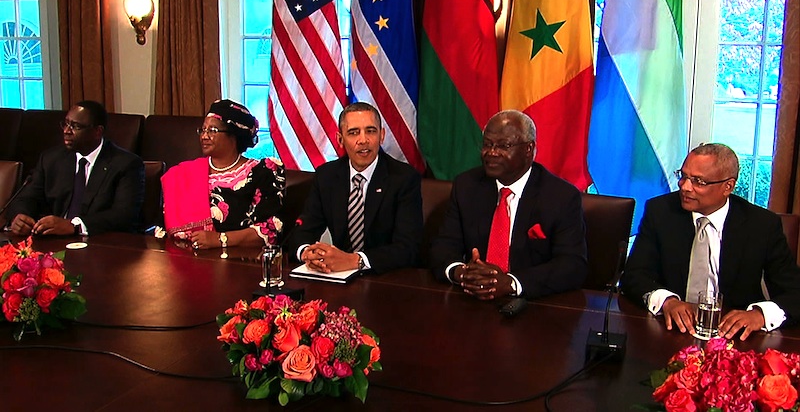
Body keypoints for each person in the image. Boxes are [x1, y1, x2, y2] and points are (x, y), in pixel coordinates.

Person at [621, 143, 800, 340]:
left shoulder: (761, 225)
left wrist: (759, 315)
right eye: (683, 176)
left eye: (698, 181)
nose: (685, 187)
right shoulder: (661, 212)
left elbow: (794, 293)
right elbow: (633, 276)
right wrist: (667, 301)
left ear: (728, 186)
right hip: (670, 331)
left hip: (734, 337)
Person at [430, 110, 587, 300]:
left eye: (504, 146)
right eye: (487, 144)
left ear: (529, 149)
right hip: (472, 299)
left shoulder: (560, 196)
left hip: (533, 305)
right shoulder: (467, 185)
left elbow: (572, 265)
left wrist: (511, 283)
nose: (492, 152)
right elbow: (443, 246)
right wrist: (462, 273)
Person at [286, 102, 423, 274]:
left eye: (371, 131)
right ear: (340, 139)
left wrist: (355, 260)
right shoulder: (326, 176)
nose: (363, 140)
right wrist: (308, 253)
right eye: (353, 133)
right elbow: (303, 230)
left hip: (386, 277)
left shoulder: (404, 178)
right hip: (336, 276)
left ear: (382, 135)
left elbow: (408, 248)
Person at [7, 100, 145, 236]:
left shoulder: (126, 164)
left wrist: (75, 226)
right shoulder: (51, 159)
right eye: (66, 124)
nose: (67, 131)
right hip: (53, 243)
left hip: (100, 245)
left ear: (98, 131)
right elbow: (25, 198)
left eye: (75, 126)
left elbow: (124, 216)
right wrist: (20, 216)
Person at [161, 99, 284, 249]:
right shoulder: (182, 173)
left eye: (212, 131)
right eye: (203, 130)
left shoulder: (264, 171)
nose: (204, 136)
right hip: (180, 259)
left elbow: (270, 229)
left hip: (237, 262)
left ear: (234, 135)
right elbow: (161, 227)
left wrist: (220, 239)